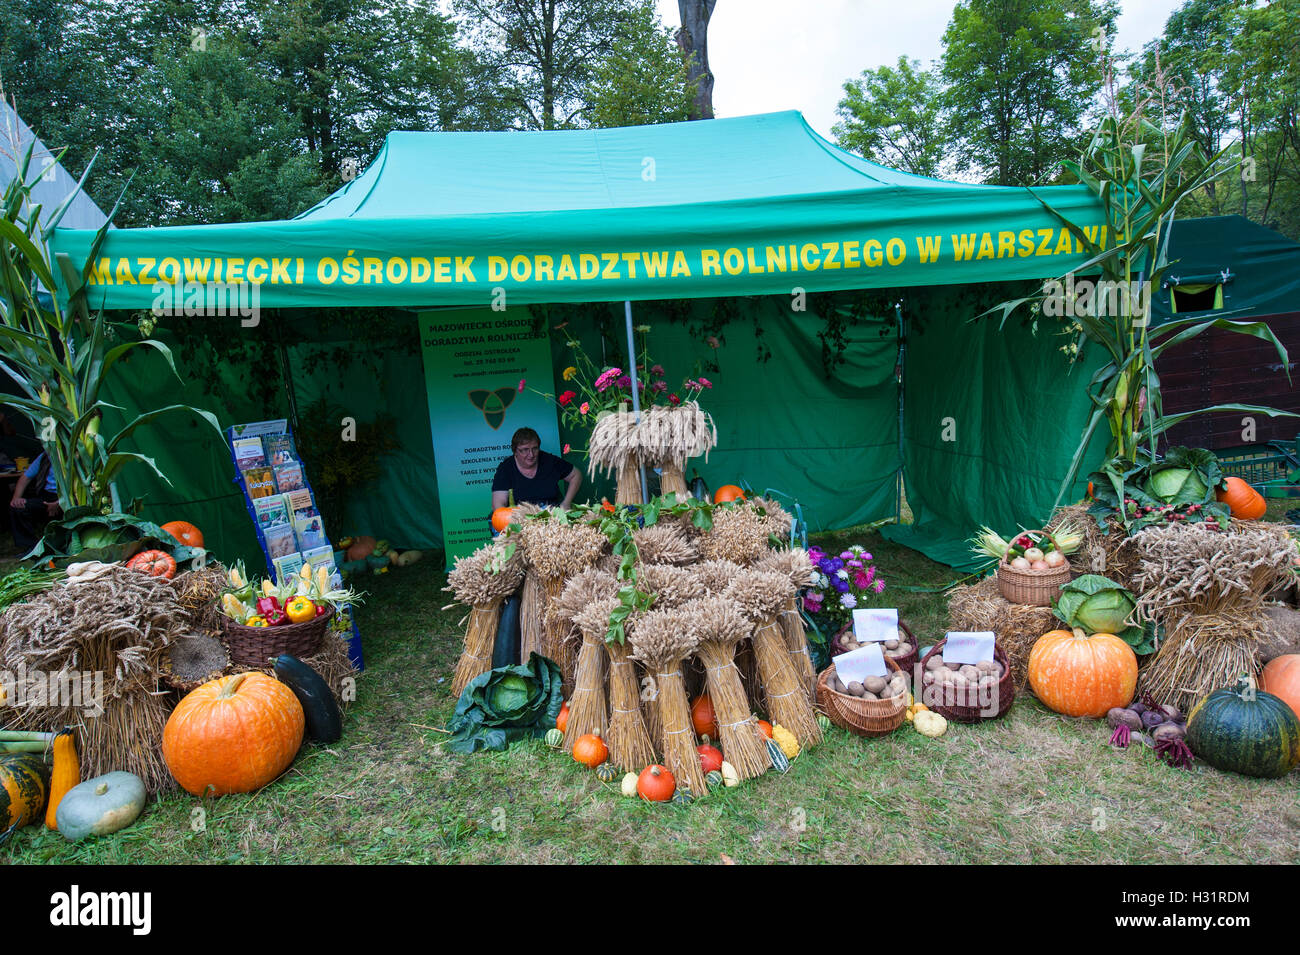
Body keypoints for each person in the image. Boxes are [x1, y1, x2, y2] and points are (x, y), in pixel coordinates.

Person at [491, 427, 582, 511]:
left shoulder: (550, 461)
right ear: (515, 451)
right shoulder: (505, 469)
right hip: (519, 519)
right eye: (525, 450)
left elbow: (576, 475)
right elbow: (498, 504)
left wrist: (566, 503)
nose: (531, 454)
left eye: (535, 448)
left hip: (552, 516)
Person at [9, 452, 60, 553]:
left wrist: (59, 503)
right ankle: (31, 547)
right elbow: (25, 477)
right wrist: (16, 498)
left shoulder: (74, 455)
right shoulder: (45, 456)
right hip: (47, 496)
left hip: (69, 498)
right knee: (17, 508)